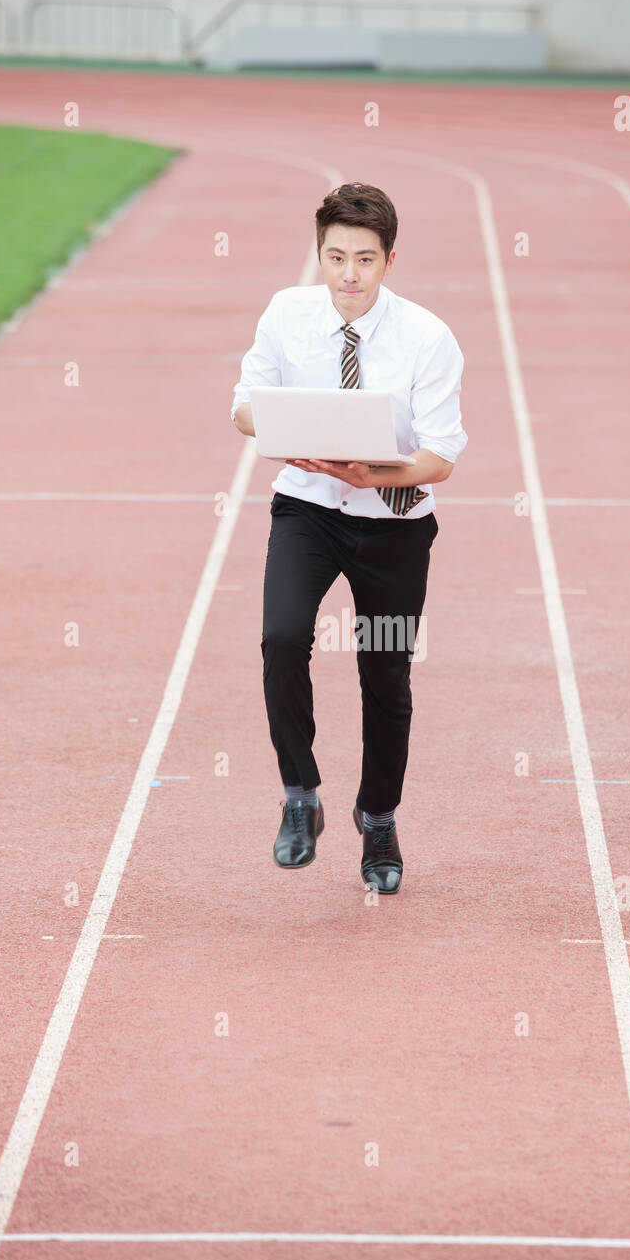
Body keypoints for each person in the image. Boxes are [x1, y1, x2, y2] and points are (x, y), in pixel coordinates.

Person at [231, 182, 467, 895]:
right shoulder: (286, 312)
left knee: (385, 675)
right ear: (319, 254)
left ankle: (379, 817)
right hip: (308, 511)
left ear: (389, 260)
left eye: (365, 259)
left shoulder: (427, 337)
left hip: (393, 523)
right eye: (335, 257)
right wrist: (287, 431)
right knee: (281, 640)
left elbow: (441, 456)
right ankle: (300, 796)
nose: (349, 275)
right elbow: (243, 407)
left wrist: (373, 473)